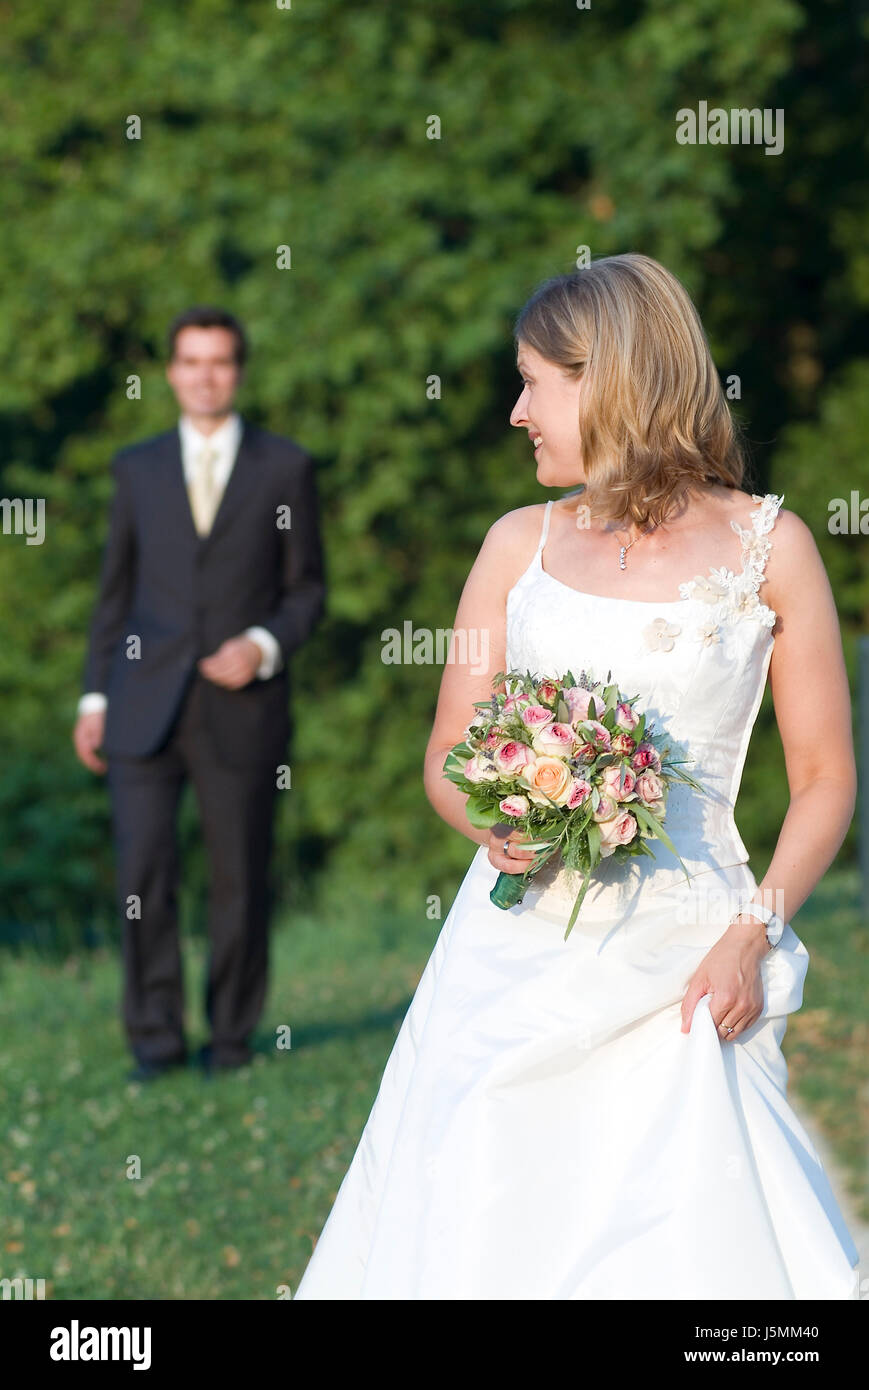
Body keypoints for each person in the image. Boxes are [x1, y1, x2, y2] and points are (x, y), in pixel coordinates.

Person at [293, 254, 860, 1299]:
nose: (515, 412)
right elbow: (447, 753)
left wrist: (751, 936)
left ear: (604, 377)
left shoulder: (768, 547)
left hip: (688, 953)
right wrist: (491, 820)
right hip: (508, 954)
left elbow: (825, 777)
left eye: (531, 382)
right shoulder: (515, 545)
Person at [72, 307, 326, 1082]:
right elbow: (113, 596)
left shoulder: (285, 468)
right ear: (172, 372)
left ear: (237, 372)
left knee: (238, 878)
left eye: (218, 362)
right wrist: (92, 700)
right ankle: (154, 1044)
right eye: (190, 361)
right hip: (140, 704)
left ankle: (230, 1042)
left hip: (241, 709)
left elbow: (308, 591)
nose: (204, 375)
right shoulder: (136, 468)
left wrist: (263, 645)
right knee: (141, 878)